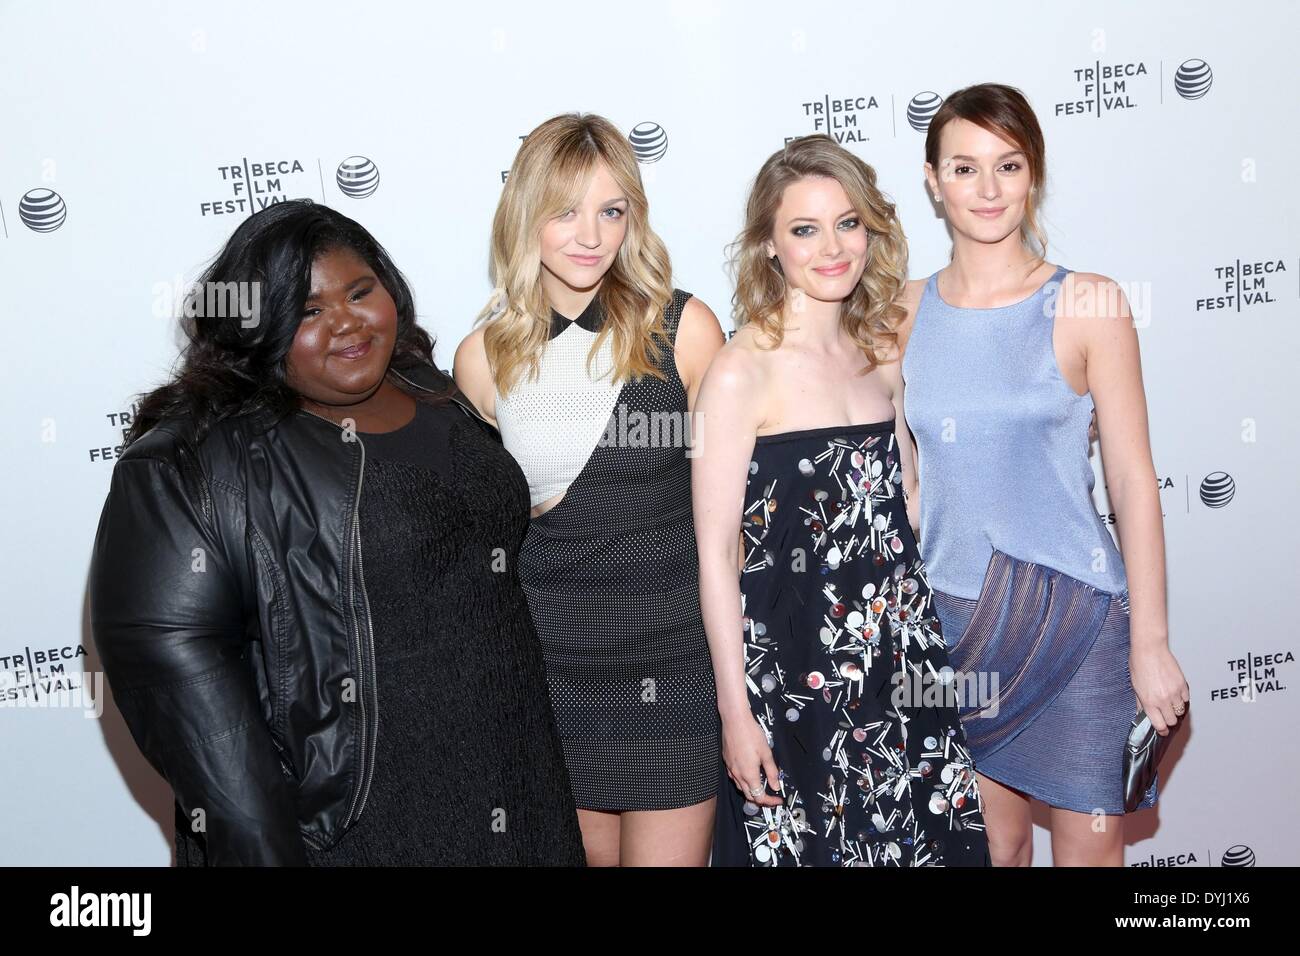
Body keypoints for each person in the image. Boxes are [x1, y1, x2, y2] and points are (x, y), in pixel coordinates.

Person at [90, 200, 585, 866]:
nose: (346, 323)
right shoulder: (191, 467)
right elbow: (189, 699)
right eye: (308, 311)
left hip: (519, 784)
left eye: (360, 292)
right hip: (359, 822)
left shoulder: (434, 389)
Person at [899, 83, 1190, 866]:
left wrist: (1150, 642)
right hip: (957, 625)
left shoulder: (1089, 304)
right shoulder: (901, 312)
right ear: (932, 179)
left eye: (1009, 165)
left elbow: (1132, 482)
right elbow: (908, 487)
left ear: (1034, 175)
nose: (988, 190)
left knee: (1090, 855)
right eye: (964, 168)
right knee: (993, 853)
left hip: (1079, 623)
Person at [694, 134, 990, 866]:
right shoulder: (739, 372)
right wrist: (737, 713)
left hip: (901, 663)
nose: (832, 248)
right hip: (795, 680)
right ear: (769, 244)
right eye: (804, 229)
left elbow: (909, 509)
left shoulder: (880, 354)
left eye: (847, 223)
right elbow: (713, 555)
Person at [454, 113, 725, 866]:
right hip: (555, 673)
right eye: (565, 211)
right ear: (525, 217)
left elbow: (730, 520)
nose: (591, 235)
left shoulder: (685, 330)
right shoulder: (481, 359)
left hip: (672, 666)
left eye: (612, 211)